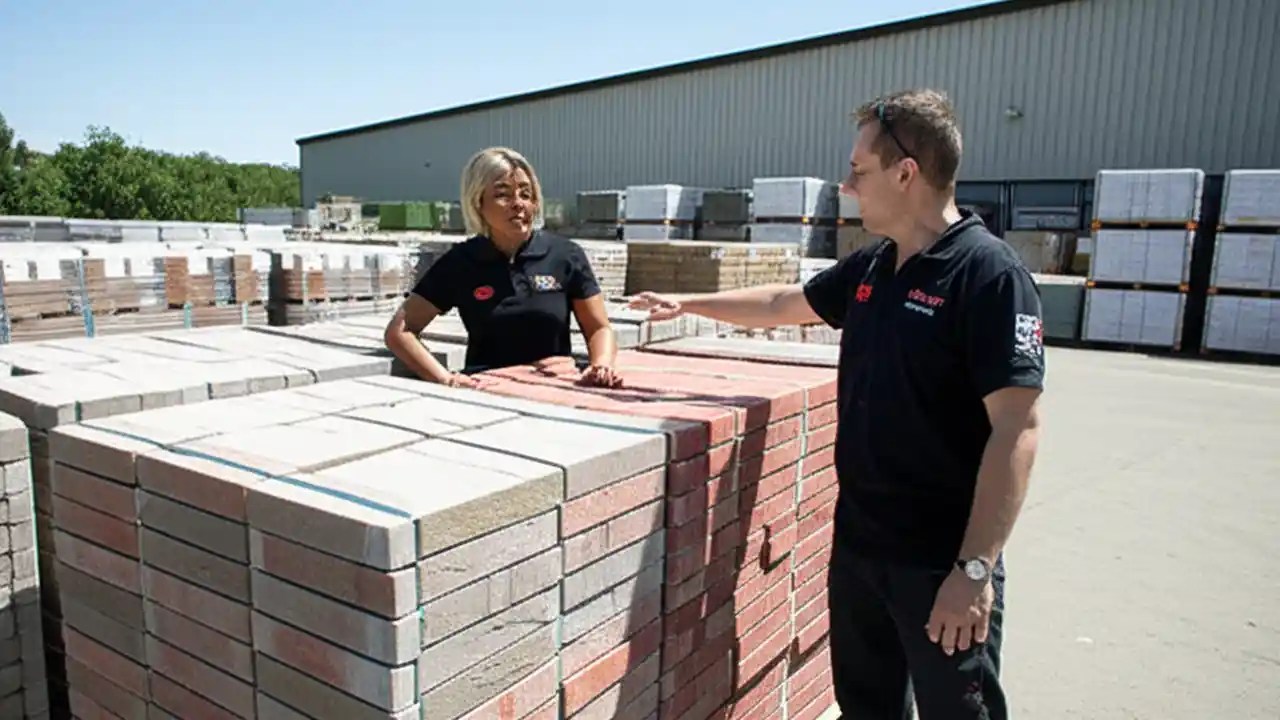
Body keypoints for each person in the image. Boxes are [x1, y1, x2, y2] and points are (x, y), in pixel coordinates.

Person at [628, 89, 1044, 719]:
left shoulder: (988, 276)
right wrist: (687, 305)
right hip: (859, 552)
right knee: (867, 708)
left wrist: (975, 571)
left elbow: (1018, 430)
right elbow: (780, 305)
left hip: (940, 565)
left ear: (906, 173)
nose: (848, 187)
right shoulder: (875, 265)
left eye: (859, 171)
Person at [385, 147, 622, 388]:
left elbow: (599, 328)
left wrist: (601, 364)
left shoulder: (565, 256)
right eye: (503, 195)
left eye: (525, 194)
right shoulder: (461, 262)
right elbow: (400, 331)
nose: (518, 204)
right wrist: (444, 378)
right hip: (488, 393)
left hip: (556, 388)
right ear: (478, 203)